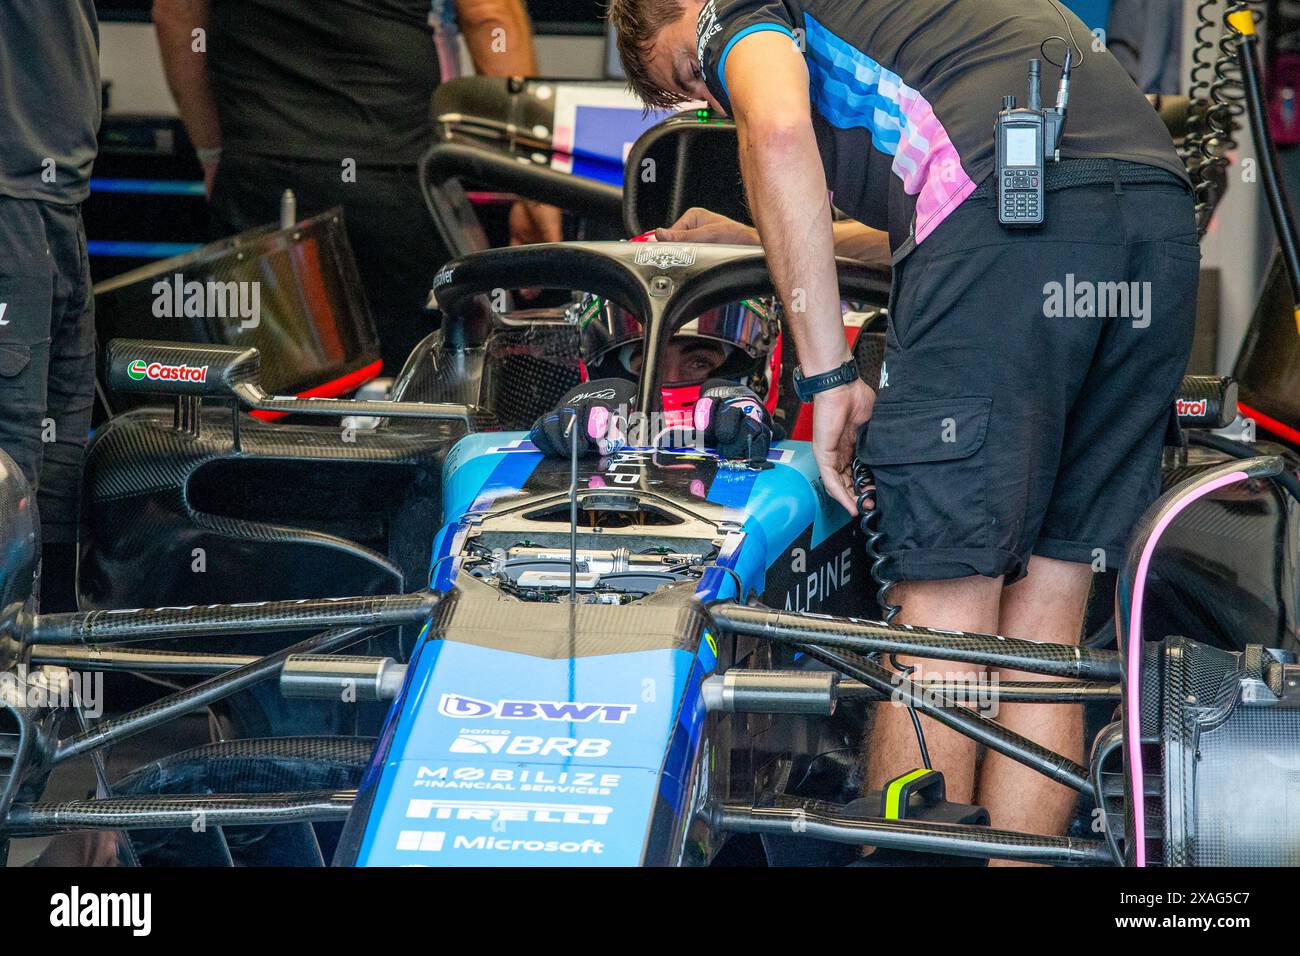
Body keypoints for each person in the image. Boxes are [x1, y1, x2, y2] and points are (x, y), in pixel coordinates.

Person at [609, 0, 1199, 852]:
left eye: (690, 76)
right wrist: (757, 233)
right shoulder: (917, 20)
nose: (713, 93)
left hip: (1014, 214)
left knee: (944, 624)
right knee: (1046, 627)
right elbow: (971, 206)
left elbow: (778, 136)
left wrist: (828, 375)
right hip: (1150, 217)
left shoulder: (733, 9)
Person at [152, 0, 563, 375]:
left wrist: (212, 153)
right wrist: (531, 182)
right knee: (412, 400)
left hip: (262, 176)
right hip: (393, 179)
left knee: (264, 401)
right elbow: (488, 14)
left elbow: (176, 13)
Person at [0, 0, 101, 612]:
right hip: (9, 195)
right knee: (10, 485)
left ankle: (33, 688)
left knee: (54, 495)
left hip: (59, 196)